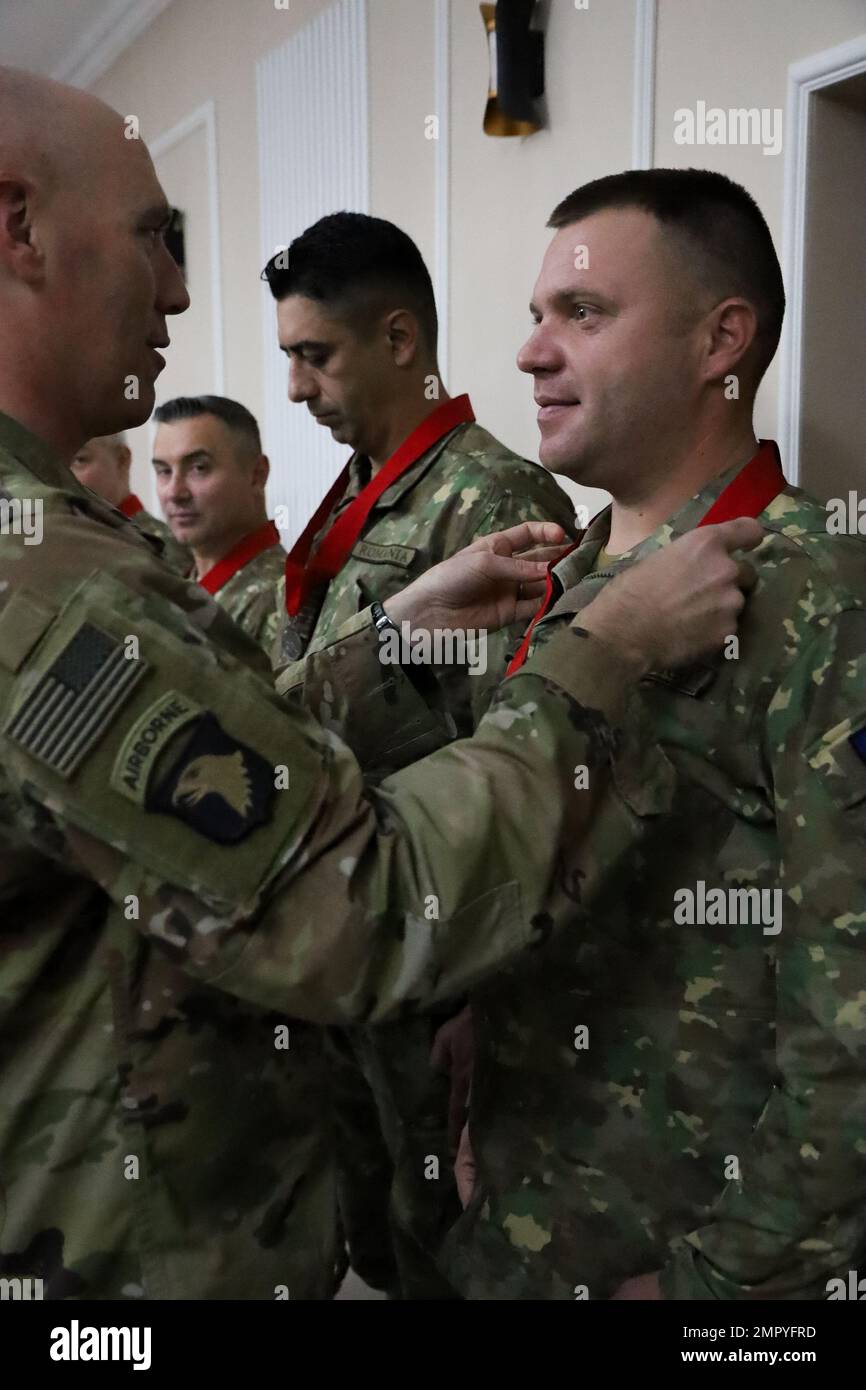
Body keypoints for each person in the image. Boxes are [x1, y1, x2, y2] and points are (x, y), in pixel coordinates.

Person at [0, 66, 755, 1300]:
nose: (179, 290)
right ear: (18, 228)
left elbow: (213, 775)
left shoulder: (528, 510)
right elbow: (352, 893)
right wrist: (603, 650)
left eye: (582, 310)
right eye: (153, 238)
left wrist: (386, 637)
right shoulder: (41, 574)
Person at [436, 168, 866, 1301]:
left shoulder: (821, 592)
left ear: (719, 339)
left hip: (681, 1255)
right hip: (519, 1226)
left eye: (580, 315)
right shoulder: (553, 580)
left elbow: (852, 1020)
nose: (531, 353)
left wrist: (723, 1285)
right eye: (535, 317)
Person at [263, 212, 577, 1298]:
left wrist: (484, 998)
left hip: (435, 957)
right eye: (289, 359)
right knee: (372, 1223)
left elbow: (521, 754)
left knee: (440, 1236)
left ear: (399, 339)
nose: (297, 388)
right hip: (348, 937)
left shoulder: (491, 500)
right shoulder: (355, 493)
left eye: (315, 355)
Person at [153, 395, 285, 649]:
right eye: (164, 471)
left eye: (198, 468)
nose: (174, 492)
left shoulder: (283, 600)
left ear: (256, 475)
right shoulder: (180, 587)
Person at [71, 431, 190, 572]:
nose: (62, 473)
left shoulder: (164, 552)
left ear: (121, 460)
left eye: (79, 460)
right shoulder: (65, 542)